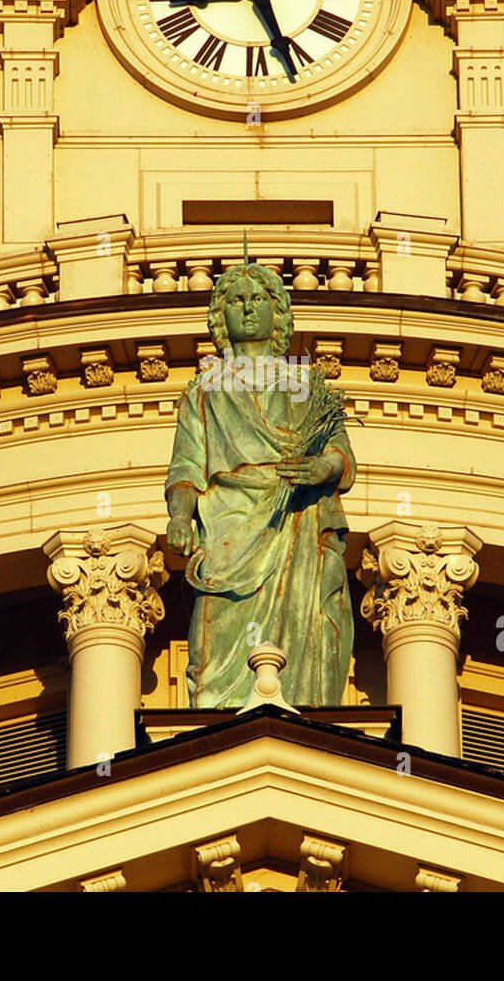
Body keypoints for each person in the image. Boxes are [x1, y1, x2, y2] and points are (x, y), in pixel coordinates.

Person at [165, 263, 356, 707]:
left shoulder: (306, 384)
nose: (248, 308)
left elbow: (339, 450)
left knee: (300, 629)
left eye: (259, 299)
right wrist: (179, 515)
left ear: (278, 313)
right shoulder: (203, 390)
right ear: (220, 316)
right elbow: (186, 466)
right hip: (227, 527)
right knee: (213, 646)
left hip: (293, 516)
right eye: (236, 300)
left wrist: (322, 468)